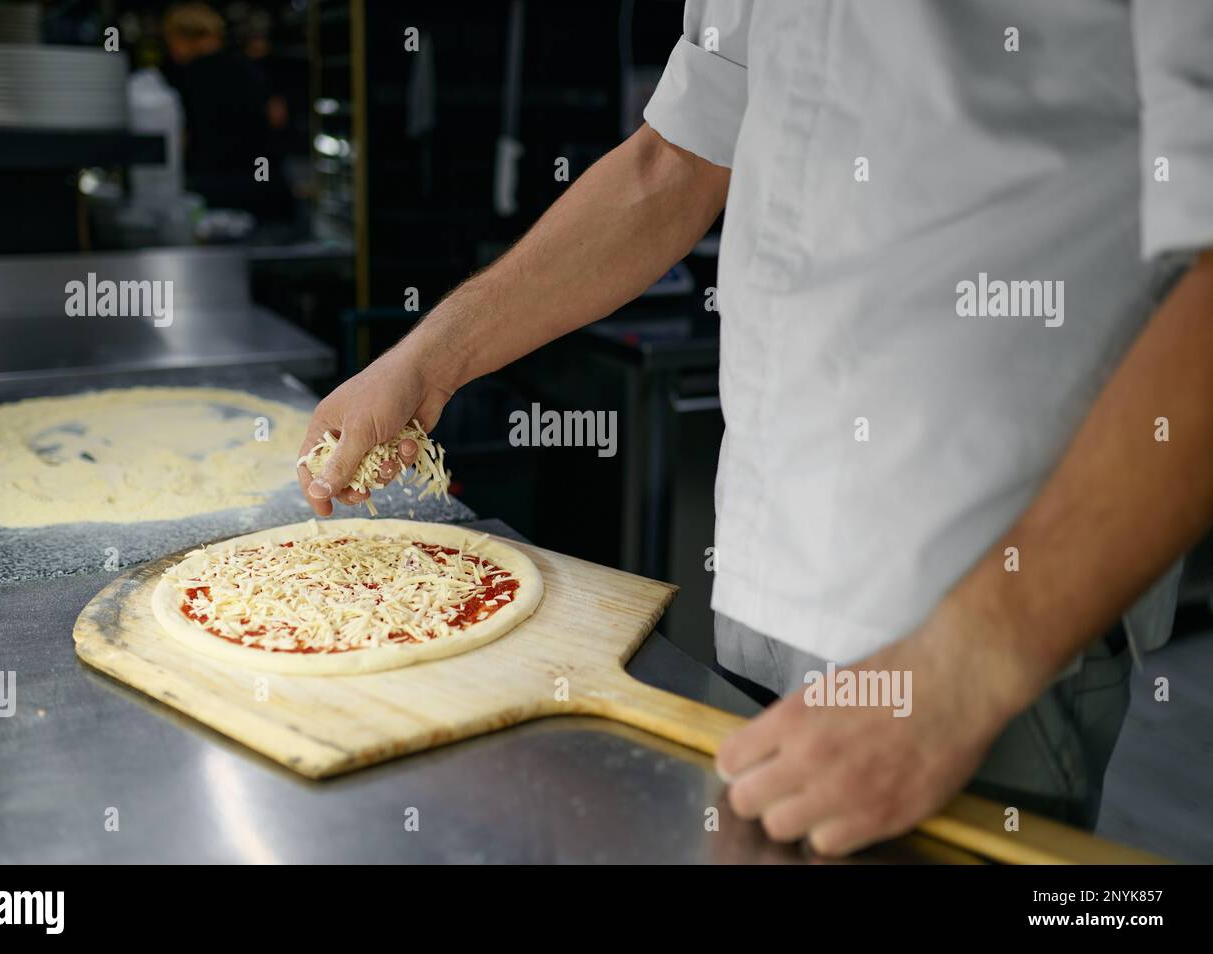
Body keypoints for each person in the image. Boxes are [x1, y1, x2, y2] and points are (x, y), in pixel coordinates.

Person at [297, 1, 1213, 856]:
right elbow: (676, 163)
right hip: (762, 608)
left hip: (985, 620)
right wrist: (426, 361)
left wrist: (965, 670)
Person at [161, 2, 292, 220]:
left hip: (213, 193)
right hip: (267, 190)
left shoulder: (185, 78)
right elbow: (277, 117)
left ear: (183, 38)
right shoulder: (249, 68)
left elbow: (181, 139)